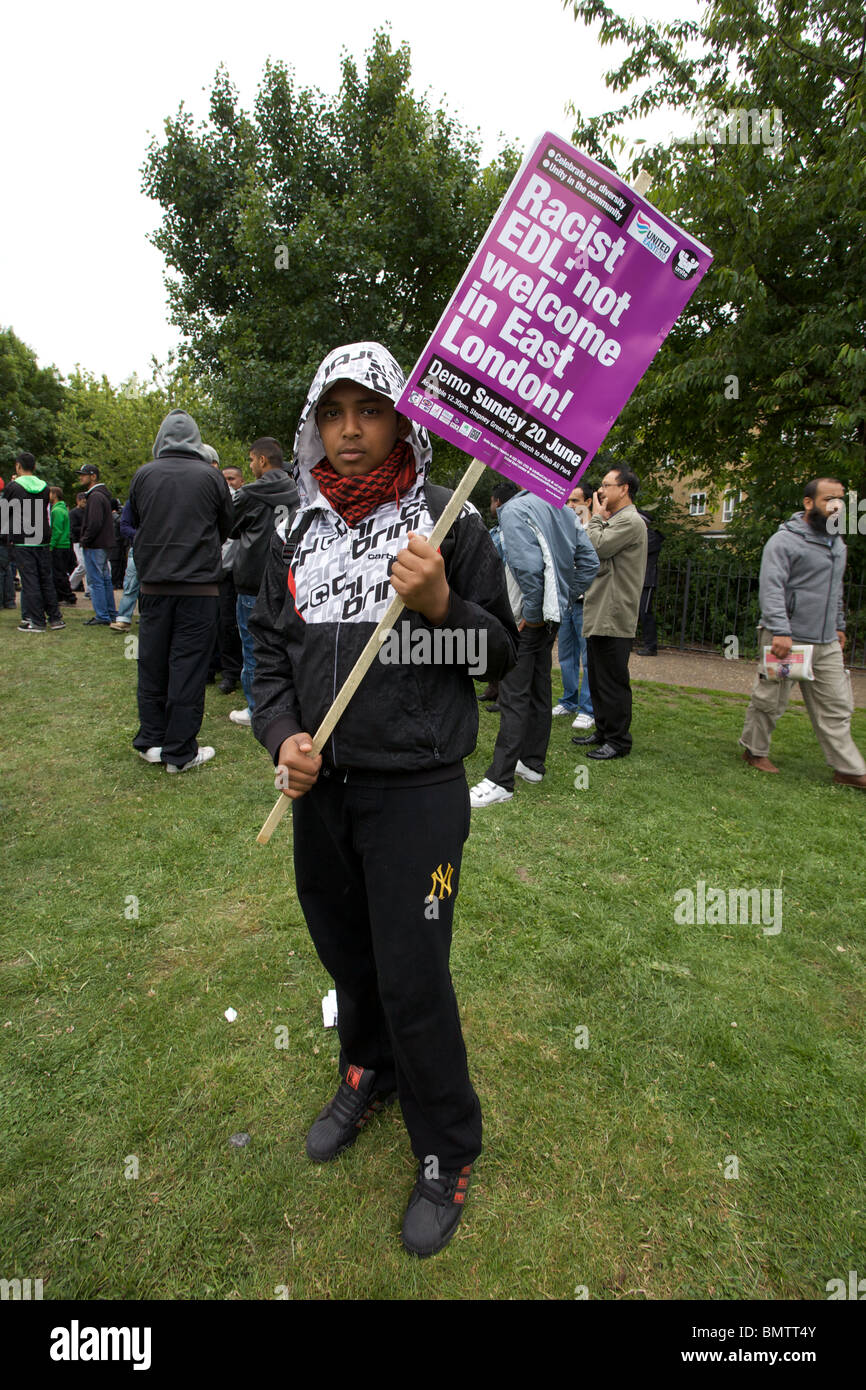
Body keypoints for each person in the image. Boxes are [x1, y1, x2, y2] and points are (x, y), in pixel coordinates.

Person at [249, 342, 517, 1257]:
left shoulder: (451, 524)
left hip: (419, 795)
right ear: (314, 423)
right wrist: (281, 733)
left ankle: (448, 1149)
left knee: (414, 970)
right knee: (346, 949)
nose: (349, 431)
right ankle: (368, 1066)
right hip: (323, 793)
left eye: (369, 410)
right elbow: (266, 651)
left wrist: (442, 604)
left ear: (403, 418)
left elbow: (498, 659)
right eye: (334, 412)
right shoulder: (293, 530)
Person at [739, 477, 866, 788]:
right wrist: (781, 631)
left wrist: (838, 625)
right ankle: (754, 751)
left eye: (840, 500)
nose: (836, 506)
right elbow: (772, 589)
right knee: (771, 700)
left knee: (837, 706)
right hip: (787, 641)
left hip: (825, 643)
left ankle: (847, 768)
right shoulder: (783, 542)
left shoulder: (837, 544)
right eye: (828, 500)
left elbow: (836, 591)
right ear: (809, 503)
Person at [469, 483, 591, 807]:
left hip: (528, 618)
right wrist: (560, 602)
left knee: (514, 696)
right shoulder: (565, 510)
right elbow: (589, 563)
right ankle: (532, 763)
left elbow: (527, 568)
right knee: (538, 689)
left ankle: (500, 780)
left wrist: (532, 614)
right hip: (548, 617)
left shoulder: (515, 510)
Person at [128, 409, 234, 771]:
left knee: (152, 663)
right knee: (188, 667)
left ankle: (152, 740)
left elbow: (134, 523)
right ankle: (180, 752)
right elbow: (226, 526)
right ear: (195, 438)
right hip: (199, 588)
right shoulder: (211, 476)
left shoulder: (143, 474)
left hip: (154, 586)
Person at [572, 467, 647, 761]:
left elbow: (596, 546)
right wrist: (602, 519)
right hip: (601, 609)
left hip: (615, 612)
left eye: (606, 485)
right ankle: (603, 731)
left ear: (624, 488)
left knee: (613, 679)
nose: (600, 491)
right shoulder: (615, 520)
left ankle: (618, 740)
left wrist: (597, 518)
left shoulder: (629, 521)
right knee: (598, 676)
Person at [228, 437, 298, 726]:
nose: (251, 465)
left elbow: (230, 528)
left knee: (253, 645)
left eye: (251, 460)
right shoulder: (302, 487)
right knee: (288, 642)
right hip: (291, 576)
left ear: (262, 460)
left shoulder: (249, 493)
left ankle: (257, 707)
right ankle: (287, 702)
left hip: (254, 581)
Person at [1, 453, 65, 631]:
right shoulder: (45, 487)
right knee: (46, 579)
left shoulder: (13, 486)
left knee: (30, 581)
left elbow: (5, 513)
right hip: (42, 537)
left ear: (18, 466)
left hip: (23, 539)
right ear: (35, 467)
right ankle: (55, 618)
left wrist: (6, 537)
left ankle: (36, 621)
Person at [553, 480, 598, 729]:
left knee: (587, 657)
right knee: (565, 655)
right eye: (567, 500)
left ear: (588, 502)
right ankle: (569, 700)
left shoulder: (594, 528)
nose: (569, 505)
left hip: (585, 601)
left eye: (575, 501)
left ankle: (588, 708)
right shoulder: (565, 527)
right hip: (566, 600)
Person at [77, 465, 118, 625]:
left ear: (93, 476)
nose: (81, 477)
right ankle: (110, 612)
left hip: (95, 544)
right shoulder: (101, 495)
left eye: (84, 475)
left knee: (96, 580)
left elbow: (94, 522)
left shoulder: (94, 497)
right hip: (103, 543)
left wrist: (85, 540)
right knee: (105, 579)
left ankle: (102, 615)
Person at [635, 505, 664, 655]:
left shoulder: (651, 538)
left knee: (645, 612)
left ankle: (650, 646)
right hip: (636, 579)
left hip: (647, 581)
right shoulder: (641, 537)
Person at [49, 486, 76, 605]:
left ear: (54, 495)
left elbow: (57, 530)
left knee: (59, 573)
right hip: (65, 544)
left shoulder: (56, 511)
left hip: (59, 545)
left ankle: (68, 596)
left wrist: (51, 545)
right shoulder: (63, 509)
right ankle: (60, 596)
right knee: (61, 572)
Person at [68, 493, 88, 593]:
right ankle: (70, 584)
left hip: (86, 541)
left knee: (87, 565)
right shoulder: (73, 513)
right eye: (83, 501)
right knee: (83, 565)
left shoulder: (88, 512)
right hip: (77, 541)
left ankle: (89, 590)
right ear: (78, 501)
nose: (85, 503)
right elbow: (72, 528)